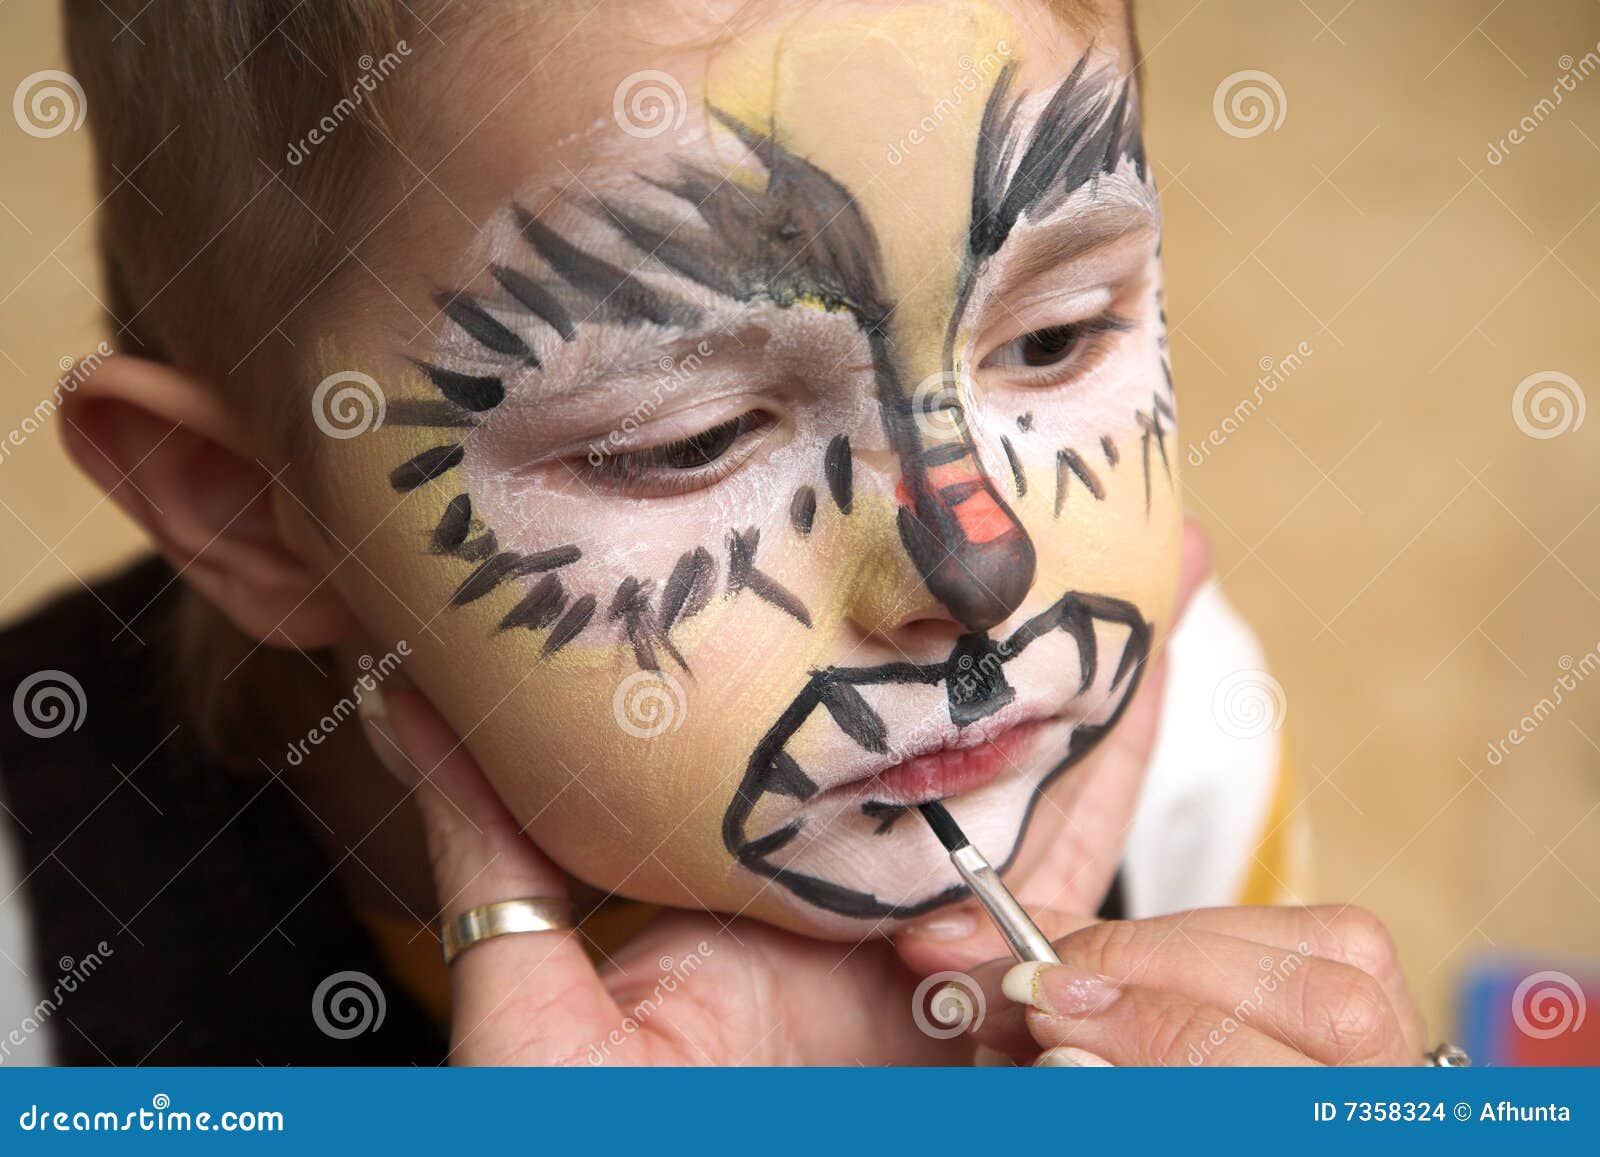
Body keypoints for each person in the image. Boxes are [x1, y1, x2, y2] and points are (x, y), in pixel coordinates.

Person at [0, 0, 1427, 1065]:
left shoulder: (1183, 754)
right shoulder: (37, 952)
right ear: (258, 510)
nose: (982, 565)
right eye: (688, 437)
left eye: (1054, 337)